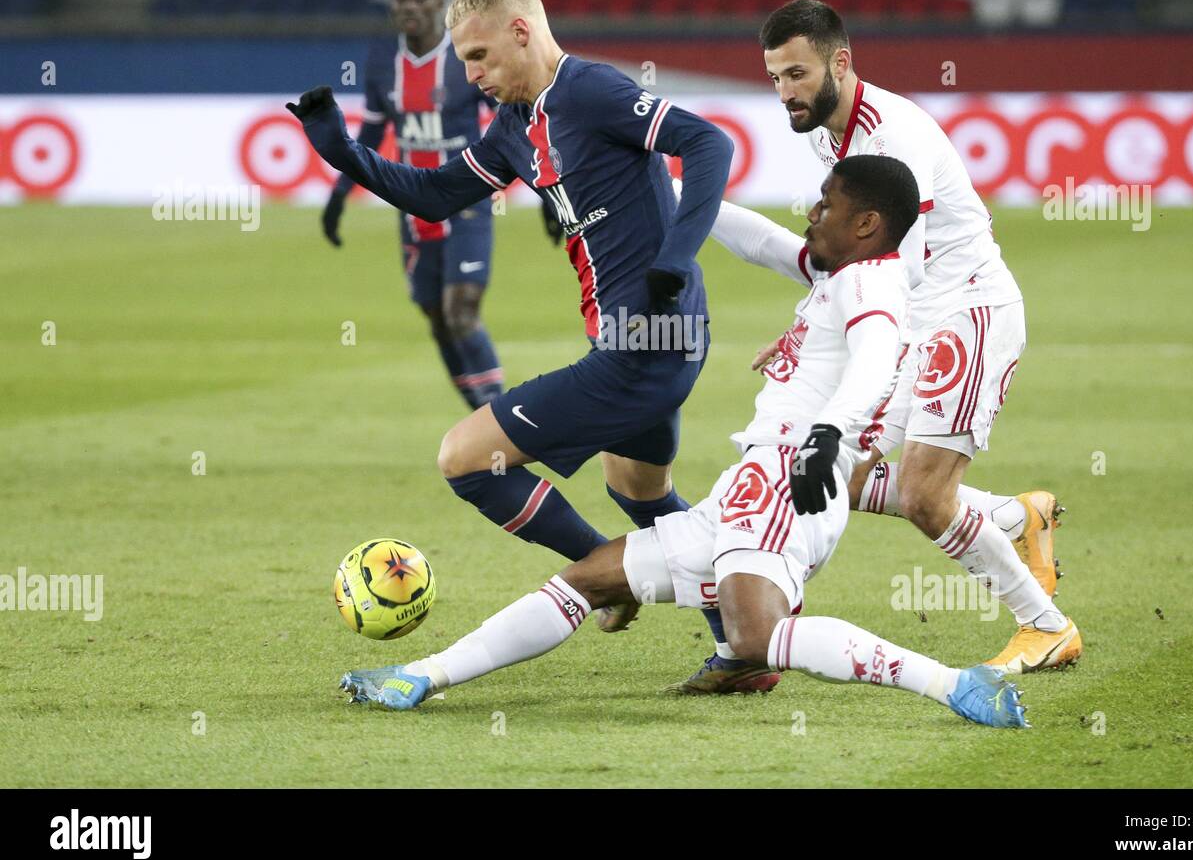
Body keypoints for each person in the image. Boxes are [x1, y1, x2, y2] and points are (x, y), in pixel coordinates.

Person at [338, 156, 1028, 731]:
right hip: (748, 489)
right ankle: (420, 677)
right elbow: (752, 237)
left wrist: (827, 432)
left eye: (825, 204)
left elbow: (877, 355)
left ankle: (956, 684)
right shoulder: (845, 274)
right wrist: (654, 192)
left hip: (788, 483)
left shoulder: (871, 284)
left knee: (754, 637)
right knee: (588, 578)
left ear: (867, 224)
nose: (811, 213)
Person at [670, 0, 1083, 694]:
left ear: (840, 62)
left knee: (923, 494)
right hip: (905, 317)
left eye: (797, 73)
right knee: (845, 476)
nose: (785, 92)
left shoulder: (894, 137)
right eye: (774, 78)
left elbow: (903, 267)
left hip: (961, 311)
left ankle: (1045, 625)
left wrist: (820, 325)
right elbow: (839, 258)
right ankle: (1014, 517)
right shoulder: (829, 134)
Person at [286, 0, 733, 575]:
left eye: (478, 56)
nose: (470, 75)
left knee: (464, 458)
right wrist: (346, 153)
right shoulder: (515, 126)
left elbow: (708, 143)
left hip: (643, 343)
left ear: (520, 32)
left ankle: (604, 574)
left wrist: (675, 258)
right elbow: (437, 194)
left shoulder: (590, 91)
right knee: (637, 491)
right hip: (641, 338)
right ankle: (740, 629)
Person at [319, 0, 508, 409]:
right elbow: (368, 135)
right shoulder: (384, 59)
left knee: (461, 314)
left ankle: (502, 422)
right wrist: (338, 195)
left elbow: (511, 118)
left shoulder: (467, 54)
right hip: (412, 210)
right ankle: (482, 416)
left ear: (441, 1)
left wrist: (543, 186)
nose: (409, 5)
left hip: (467, 203)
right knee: (437, 319)